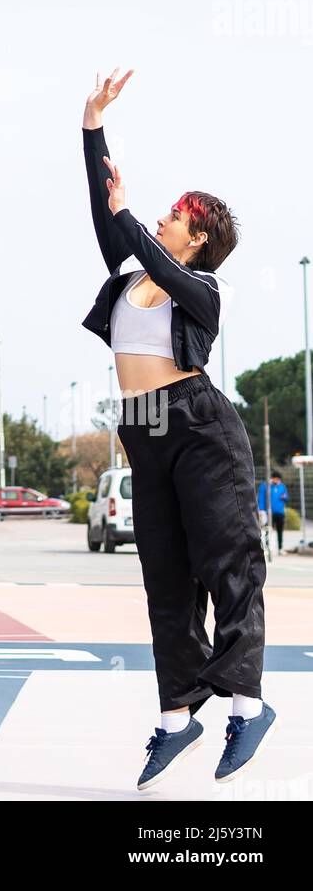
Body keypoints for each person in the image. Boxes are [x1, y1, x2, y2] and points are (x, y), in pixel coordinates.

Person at [81, 68, 275, 792]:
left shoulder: (202, 291)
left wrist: (132, 215)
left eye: (173, 217)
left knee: (227, 563)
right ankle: (175, 717)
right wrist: (91, 123)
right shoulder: (129, 276)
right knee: (163, 577)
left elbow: (144, 241)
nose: (160, 219)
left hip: (198, 425)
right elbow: (109, 217)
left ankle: (248, 705)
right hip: (143, 427)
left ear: (197, 239)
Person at [257, 471, 289, 554]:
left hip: (280, 512)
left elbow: (286, 497)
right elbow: (261, 498)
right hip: (268, 513)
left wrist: (284, 497)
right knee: (267, 530)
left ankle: (280, 548)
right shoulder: (265, 486)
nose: (277, 481)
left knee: (280, 530)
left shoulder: (282, 486)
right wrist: (261, 510)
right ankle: (267, 548)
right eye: (276, 479)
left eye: (278, 479)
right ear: (272, 478)